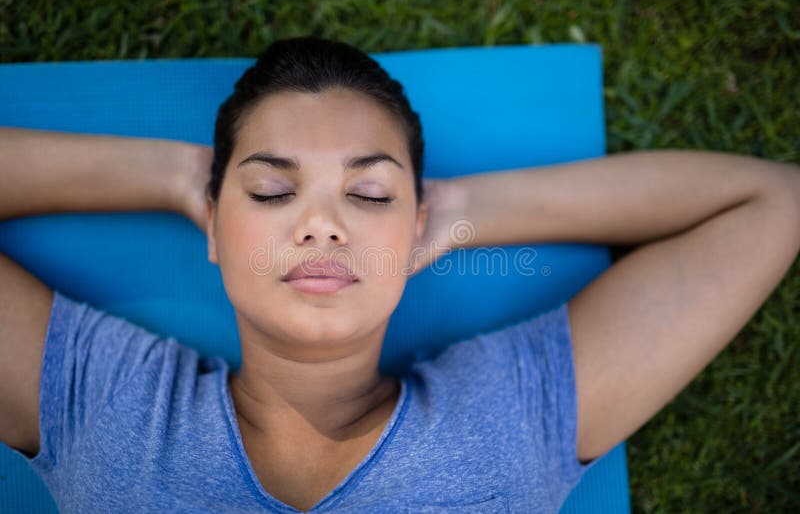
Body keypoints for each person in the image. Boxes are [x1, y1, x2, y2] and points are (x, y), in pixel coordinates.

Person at [1, 36, 798, 513]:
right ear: (215, 222)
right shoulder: (104, 404)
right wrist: (176, 177)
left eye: (369, 192)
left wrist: (451, 213)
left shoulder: (509, 417)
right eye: (272, 189)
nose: (322, 222)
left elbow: (771, 202)